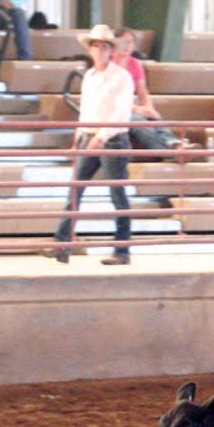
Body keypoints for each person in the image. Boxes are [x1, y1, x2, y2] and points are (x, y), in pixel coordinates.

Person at [42, 25, 136, 266]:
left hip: (112, 139)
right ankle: (63, 244)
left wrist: (101, 135)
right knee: (76, 190)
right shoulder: (90, 77)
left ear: (110, 50)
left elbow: (121, 112)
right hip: (91, 136)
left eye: (103, 47)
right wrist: (80, 134)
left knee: (117, 194)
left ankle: (122, 250)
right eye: (95, 46)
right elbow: (86, 109)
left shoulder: (121, 78)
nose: (99, 51)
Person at [110, 27, 202, 159]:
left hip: (130, 108)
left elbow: (142, 91)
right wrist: (137, 109)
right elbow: (112, 98)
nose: (127, 46)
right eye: (123, 42)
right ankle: (170, 154)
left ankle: (176, 145)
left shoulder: (135, 63)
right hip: (114, 110)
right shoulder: (110, 64)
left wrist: (149, 109)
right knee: (138, 122)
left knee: (154, 119)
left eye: (130, 42)